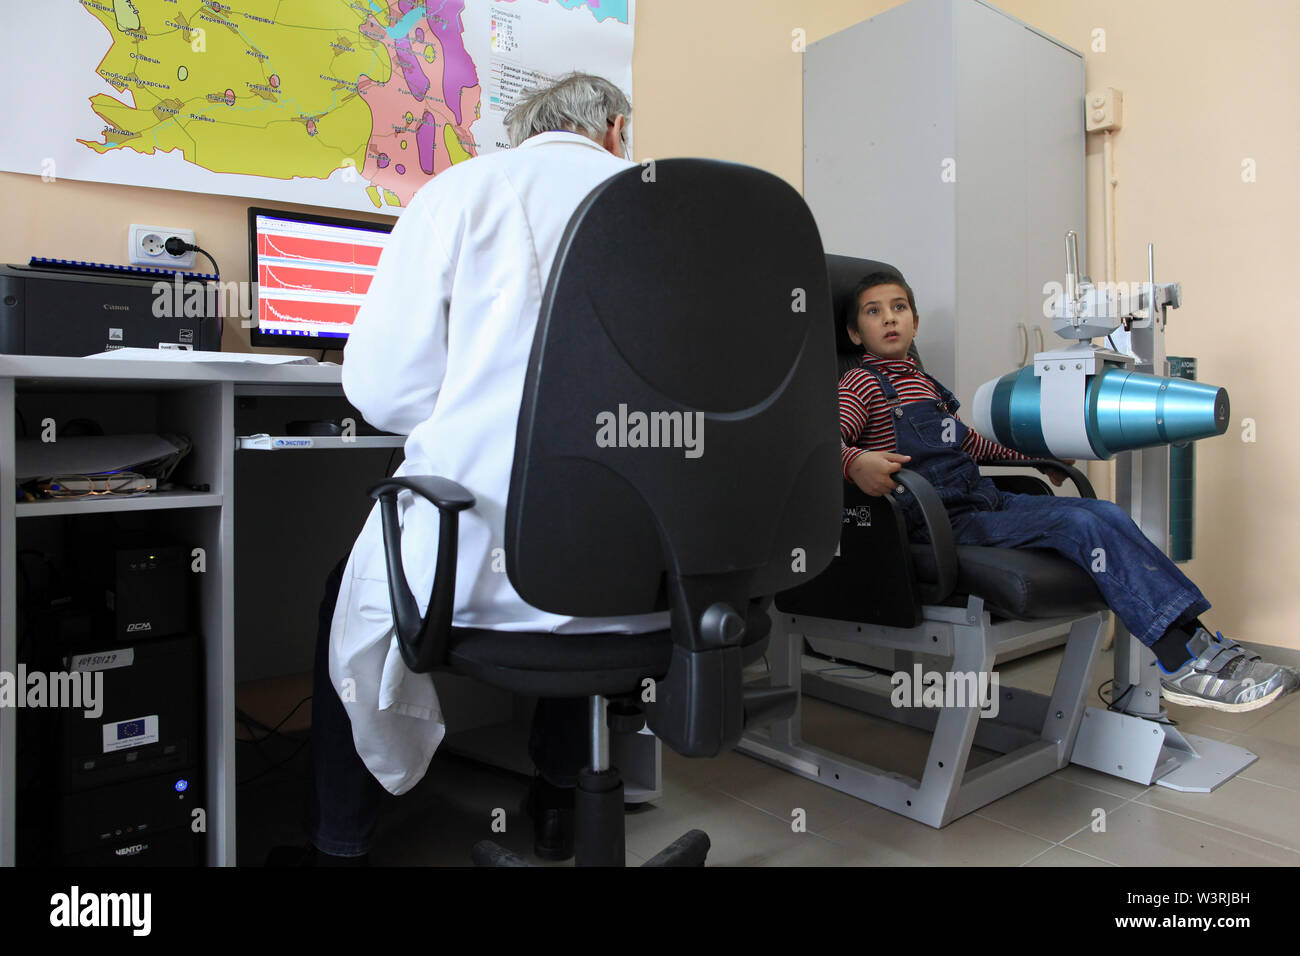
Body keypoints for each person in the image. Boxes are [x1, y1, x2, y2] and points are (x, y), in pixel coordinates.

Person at [295, 73, 669, 865]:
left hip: (487, 564)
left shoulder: (462, 191)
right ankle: (565, 797)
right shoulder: (675, 210)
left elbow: (384, 394)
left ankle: (340, 841)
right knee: (585, 558)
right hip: (666, 574)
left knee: (345, 589)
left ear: (522, 132)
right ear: (616, 129)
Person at [839, 271, 1292, 714]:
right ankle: (1183, 658)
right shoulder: (859, 382)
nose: (890, 318)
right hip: (937, 517)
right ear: (855, 334)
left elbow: (971, 445)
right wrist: (856, 462)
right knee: (1077, 524)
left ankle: (1197, 645)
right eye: (874, 312)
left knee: (1101, 512)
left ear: (914, 323)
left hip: (982, 499)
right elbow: (824, 441)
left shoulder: (926, 384)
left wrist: (1035, 462)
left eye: (899, 308)